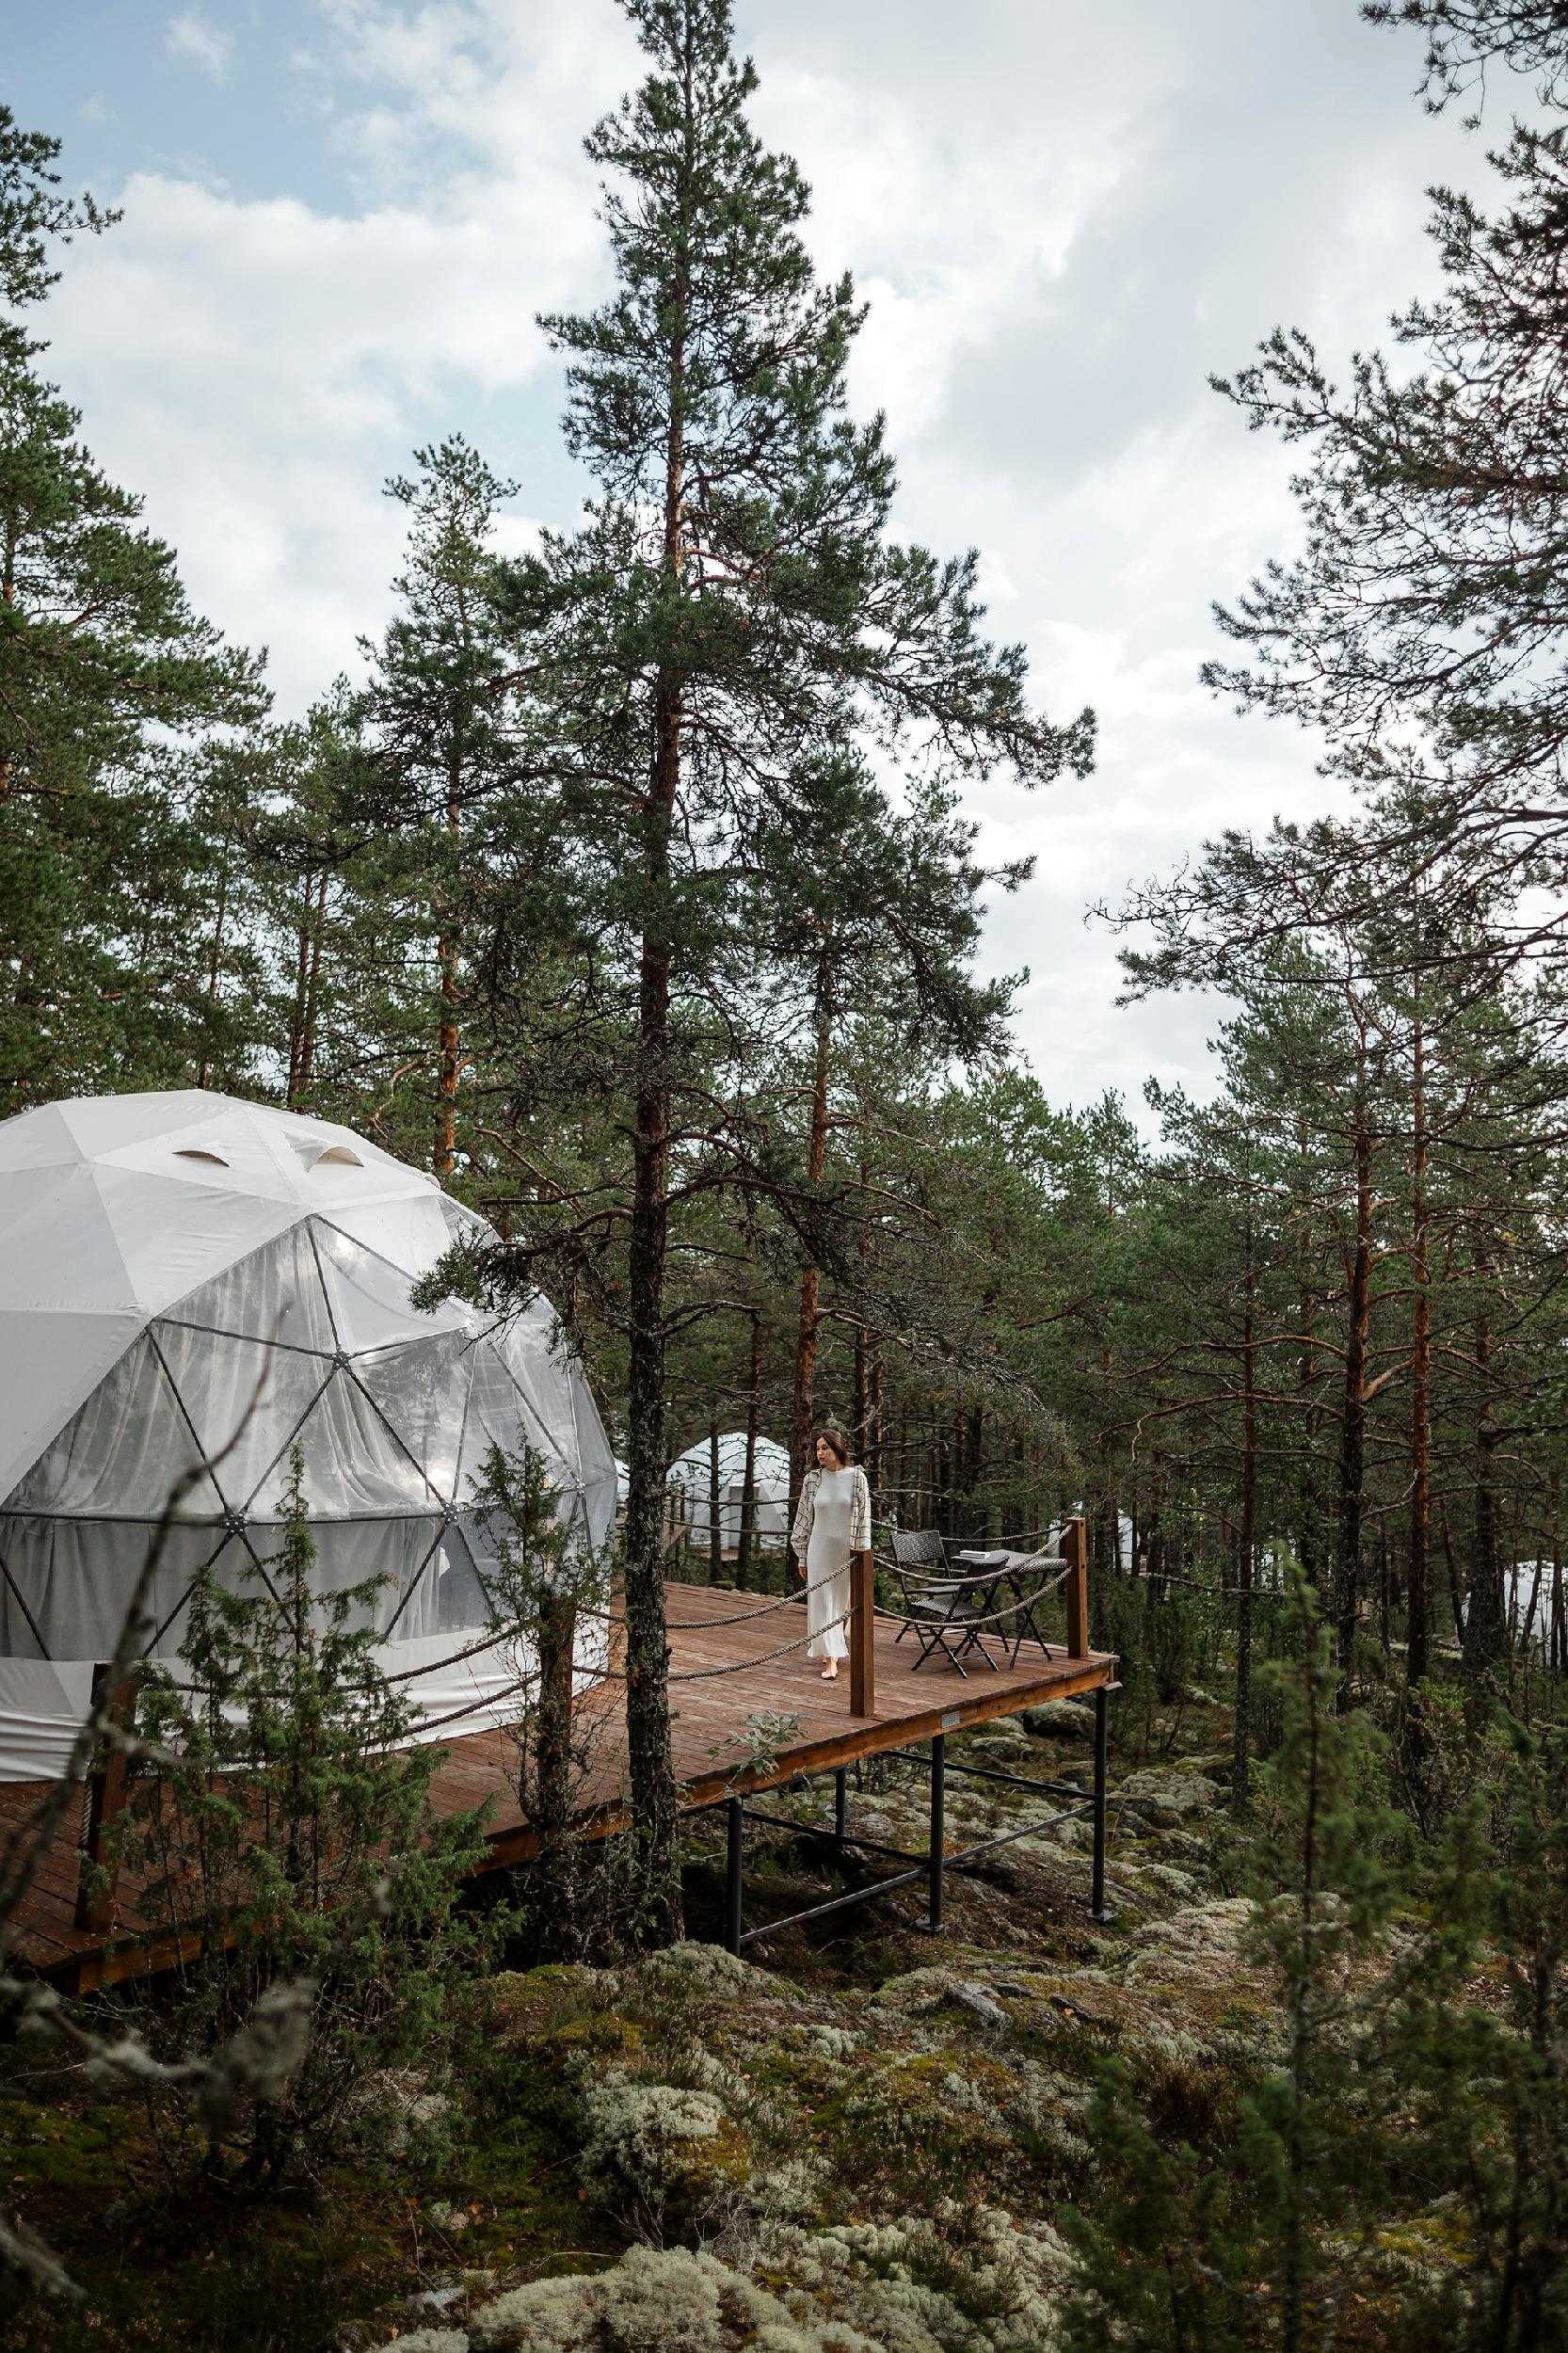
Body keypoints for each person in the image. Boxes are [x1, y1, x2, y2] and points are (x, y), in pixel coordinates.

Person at [790, 1428, 872, 1682]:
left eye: (825, 1447)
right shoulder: (813, 1479)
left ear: (837, 1449)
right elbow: (802, 1520)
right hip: (819, 1549)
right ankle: (830, 1659)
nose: (820, 1452)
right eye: (818, 1448)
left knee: (841, 1603)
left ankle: (837, 1646)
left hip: (846, 1551)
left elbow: (864, 1521)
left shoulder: (857, 1478)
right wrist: (802, 1555)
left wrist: (862, 1554)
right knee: (822, 1604)